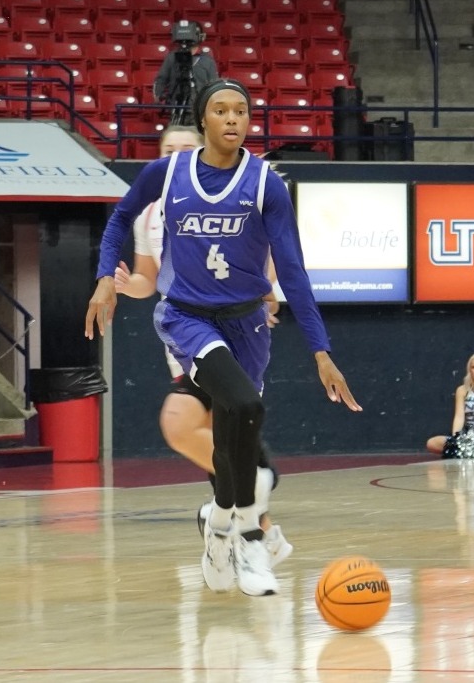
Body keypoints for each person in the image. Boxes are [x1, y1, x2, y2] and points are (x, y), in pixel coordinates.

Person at [86, 78, 361, 597]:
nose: (233, 119)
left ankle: (217, 528)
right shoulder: (169, 173)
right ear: (203, 120)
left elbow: (294, 270)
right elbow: (120, 215)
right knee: (236, 403)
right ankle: (250, 540)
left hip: (248, 320)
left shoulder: (265, 184)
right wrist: (106, 275)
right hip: (187, 316)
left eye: (241, 110)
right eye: (221, 110)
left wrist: (320, 349)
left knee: (244, 417)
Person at [85, 125, 291, 563]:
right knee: (204, 429)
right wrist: (124, 285)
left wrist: (259, 292)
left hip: (233, 329)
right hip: (186, 335)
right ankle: (255, 510)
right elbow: (148, 280)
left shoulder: (235, 198)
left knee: (191, 421)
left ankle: (249, 514)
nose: (176, 155)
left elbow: (269, 261)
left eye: (185, 148)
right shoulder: (147, 215)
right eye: (167, 149)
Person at [152, 20, 219, 122]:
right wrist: (158, 95)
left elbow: (214, 86)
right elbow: (161, 79)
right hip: (176, 108)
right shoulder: (172, 57)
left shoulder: (208, 61)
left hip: (199, 110)